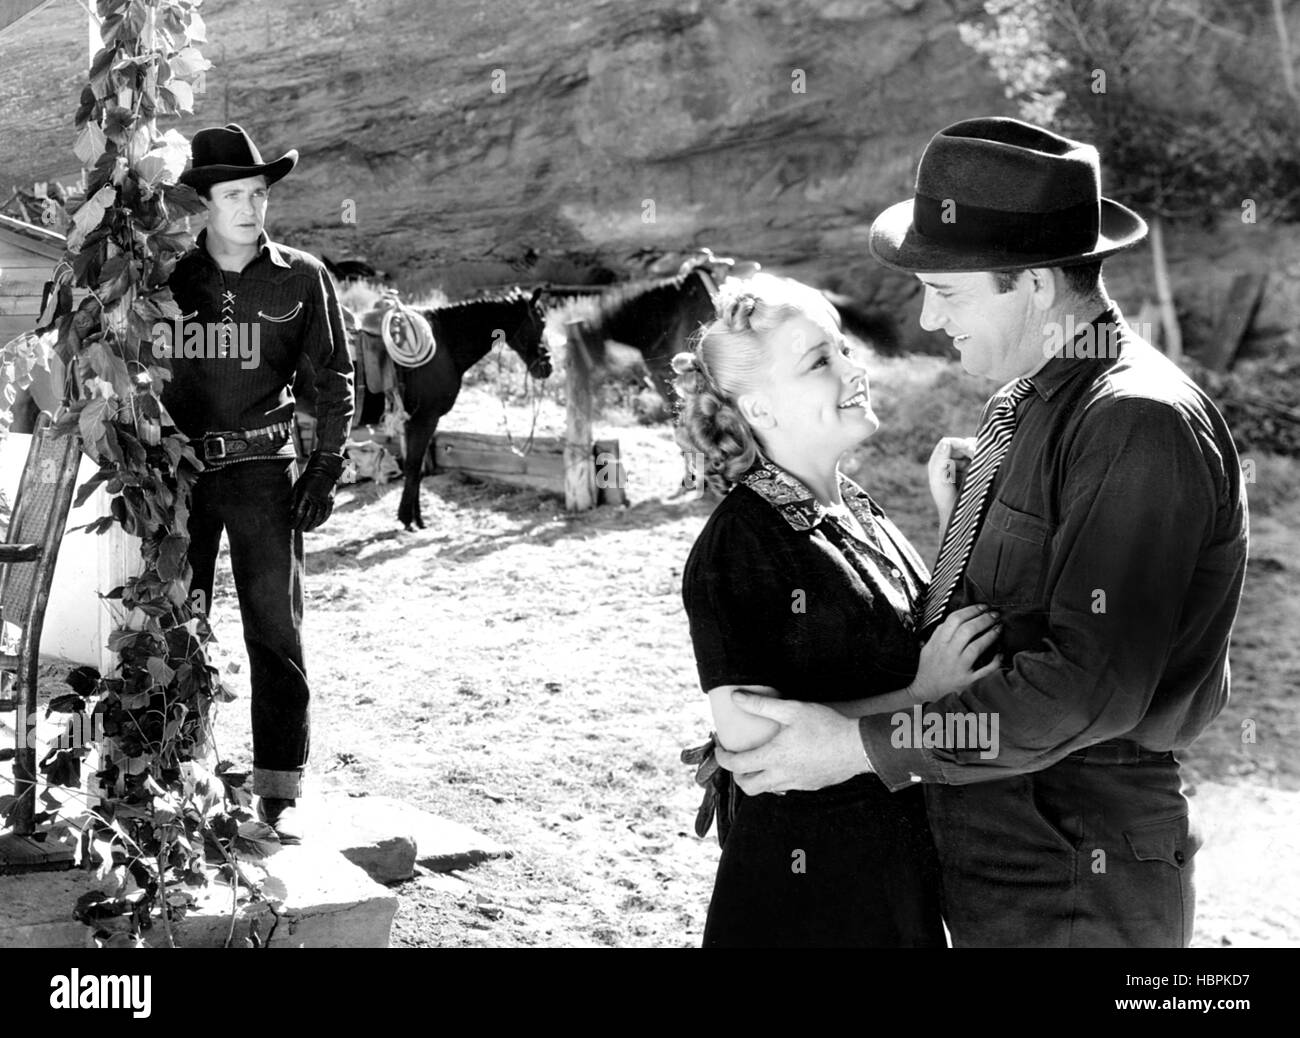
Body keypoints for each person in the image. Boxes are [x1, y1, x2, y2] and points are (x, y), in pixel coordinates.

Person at [713, 117, 1249, 948]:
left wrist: (863, 744)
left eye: (949, 292)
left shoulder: (1134, 421)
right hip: (1013, 845)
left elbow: (1082, 691)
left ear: (1033, 283)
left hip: (1074, 856)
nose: (928, 321)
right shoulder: (1029, 404)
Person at [676, 272, 1001, 947]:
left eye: (844, 349)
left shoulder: (852, 508)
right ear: (760, 411)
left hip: (891, 874)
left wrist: (955, 522)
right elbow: (750, 749)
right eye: (821, 360)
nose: (856, 368)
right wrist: (923, 693)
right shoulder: (740, 543)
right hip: (810, 898)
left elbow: (897, 642)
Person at [163, 124, 355, 844]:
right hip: (181, 477)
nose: (251, 207)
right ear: (205, 204)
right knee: (177, 625)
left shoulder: (301, 275)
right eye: (234, 195)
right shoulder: (172, 281)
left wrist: (327, 464)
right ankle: (179, 770)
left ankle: (280, 788)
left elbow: (333, 376)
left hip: (264, 472)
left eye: (258, 193)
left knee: (275, 631)